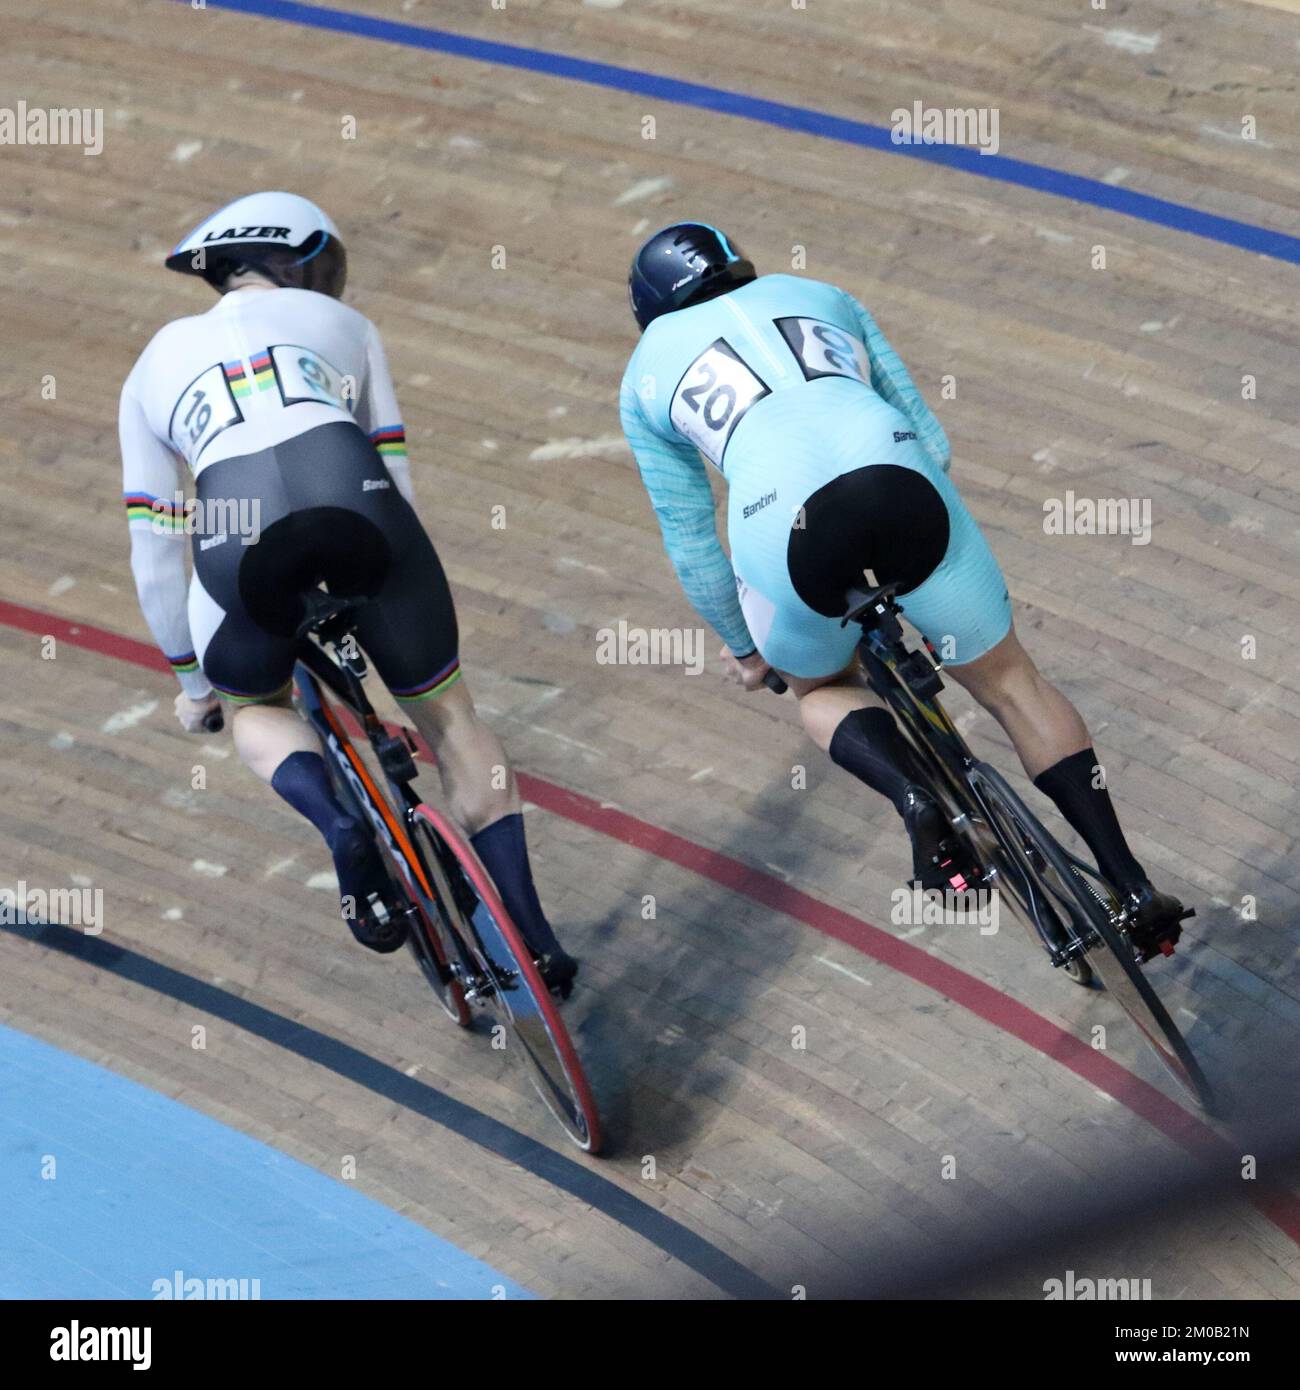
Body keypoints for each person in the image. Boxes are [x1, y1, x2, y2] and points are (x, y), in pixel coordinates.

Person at [618, 222, 1186, 956]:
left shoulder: (641, 379)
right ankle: (1134, 885)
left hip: (783, 530)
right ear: (738, 264)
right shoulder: (823, 293)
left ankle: (913, 797)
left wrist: (747, 649)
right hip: (896, 479)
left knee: (820, 690)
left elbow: (691, 540)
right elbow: (933, 442)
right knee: (1013, 681)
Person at [118, 191, 576, 990]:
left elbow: (153, 547)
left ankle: (340, 828)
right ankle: (535, 939)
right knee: (452, 716)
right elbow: (395, 480)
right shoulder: (348, 327)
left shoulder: (148, 367)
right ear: (294, 260)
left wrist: (193, 684)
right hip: (353, 497)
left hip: (235, 525)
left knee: (255, 708)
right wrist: (398, 591)